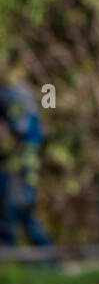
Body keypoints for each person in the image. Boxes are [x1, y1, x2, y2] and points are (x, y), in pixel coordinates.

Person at [0, 76, 52, 247]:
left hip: (17, 168)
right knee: (22, 212)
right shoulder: (22, 96)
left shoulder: (12, 97)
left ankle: (14, 256)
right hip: (20, 167)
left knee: (15, 212)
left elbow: (19, 132)